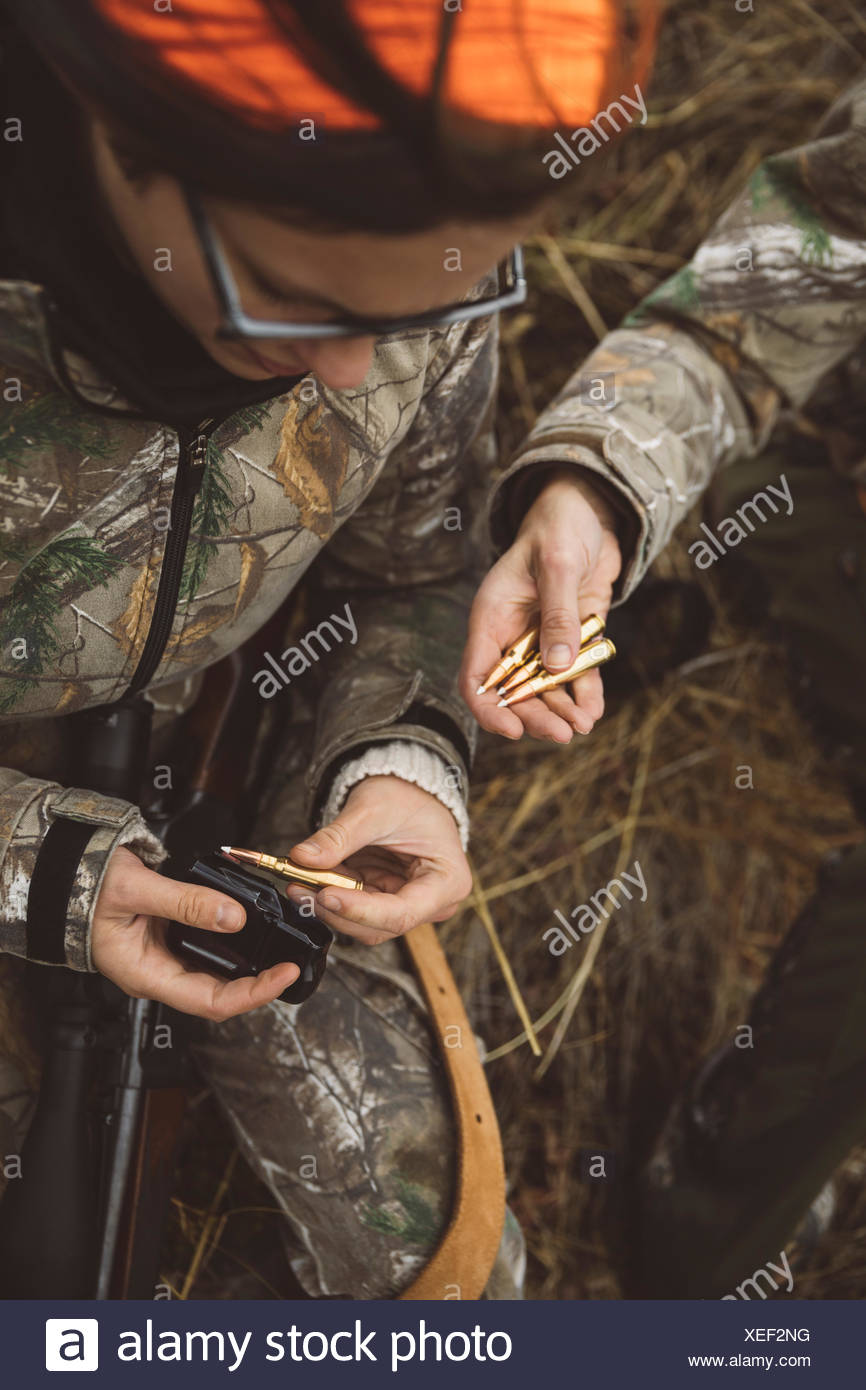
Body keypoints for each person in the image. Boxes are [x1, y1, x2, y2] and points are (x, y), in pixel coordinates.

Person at [0, 0, 657, 1297]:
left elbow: (405, 566)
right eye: (296, 299)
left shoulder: (429, 222)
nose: (354, 374)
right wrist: (48, 868)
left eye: (431, 306)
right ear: (117, 130)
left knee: (452, 1277)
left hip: (205, 790)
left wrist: (398, 758)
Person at [461, 65, 866, 1296]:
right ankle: (703, 1231)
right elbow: (747, 304)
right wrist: (594, 488)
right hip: (818, 476)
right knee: (758, 507)